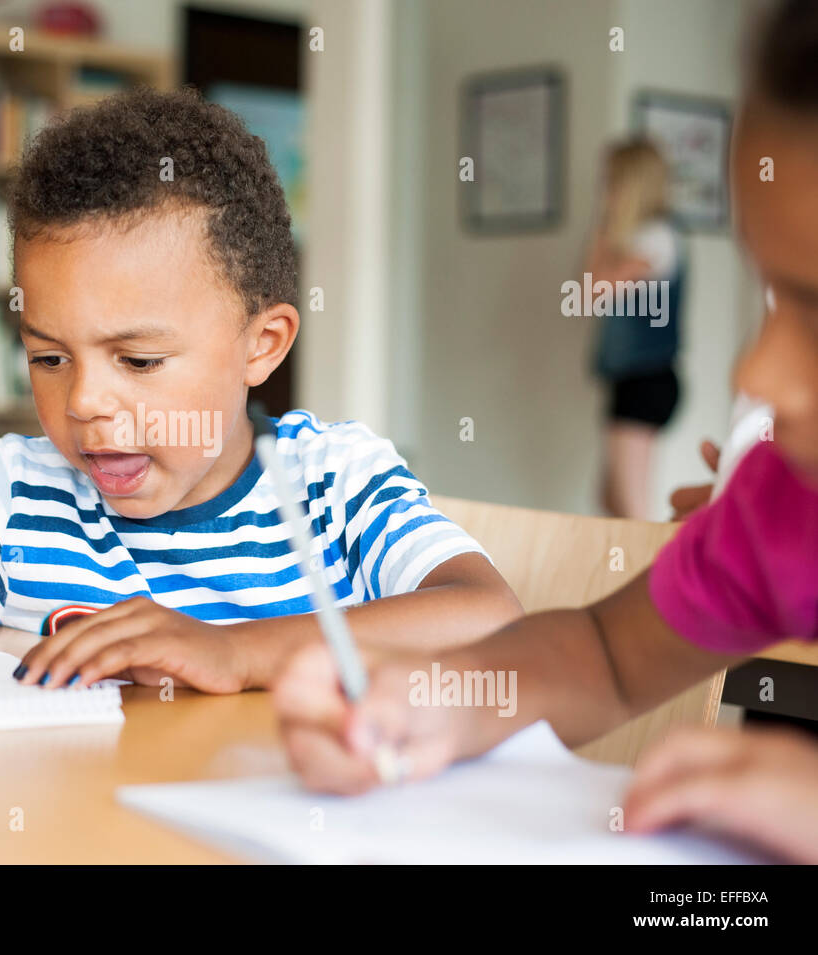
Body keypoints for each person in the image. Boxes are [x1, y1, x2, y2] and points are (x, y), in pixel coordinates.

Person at [0, 87, 522, 694]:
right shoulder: (17, 498)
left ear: (261, 346)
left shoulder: (336, 479)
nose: (84, 403)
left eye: (140, 361)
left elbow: (485, 616)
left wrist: (234, 651)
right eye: (50, 358)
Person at [273, 0, 818, 863]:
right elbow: (605, 652)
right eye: (772, 297)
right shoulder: (790, 504)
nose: (754, 374)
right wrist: (441, 695)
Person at [587, 139, 687, 519]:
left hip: (646, 382)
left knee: (632, 512)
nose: (604, 188)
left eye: (610, 180)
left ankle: (650, 579)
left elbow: (593, 291)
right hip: (635, 381)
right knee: (612, 500)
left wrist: (605, 226)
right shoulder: (645, 238)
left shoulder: (655, 238)